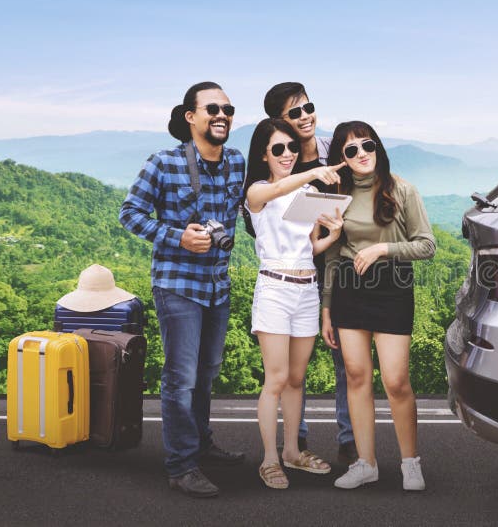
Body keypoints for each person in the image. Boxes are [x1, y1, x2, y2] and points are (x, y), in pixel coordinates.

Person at [119, 81, 245, 498]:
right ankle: (180, 465)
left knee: (206, 374)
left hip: (217, 285)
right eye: (212, 108)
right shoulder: (164, 163)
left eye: (227, 108)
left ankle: (200, 445)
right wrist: (176, 236)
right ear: (190, 116)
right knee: (180, 378)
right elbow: (130, 213)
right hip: (177, 286)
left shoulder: (237, 163)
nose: (222, 115)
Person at [321, 121, 436, 491]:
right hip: (349, 293)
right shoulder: (338, 194)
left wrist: (382, 248)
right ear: (342, 159)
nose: (361, 155)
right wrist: (326, 307)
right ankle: (365, 463)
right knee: (356, 377)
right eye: (350, 151)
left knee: (396, 381)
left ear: (377, 147)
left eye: (366, 145)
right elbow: (335, 255)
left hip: (392, 289)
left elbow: (426, 245)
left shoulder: (402, 190)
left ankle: (410, 462)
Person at [243, 118, 345, 489]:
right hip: (273, 289)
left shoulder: (305, 196)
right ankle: (269, 459)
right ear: (264, 155)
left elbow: (308, 248)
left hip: (307, 289)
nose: (287, 154)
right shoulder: (257, 192)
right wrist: (313, 172)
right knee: (277, 378)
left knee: (297, 379)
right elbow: (275, 190)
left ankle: (291, 452)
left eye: (290, 147)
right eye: (278, 149)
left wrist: (331, 235)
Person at [261, 82, 357, 464]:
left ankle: (349, 438)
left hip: (341, 267)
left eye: (307, 108)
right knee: (288, 371)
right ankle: (294, 441)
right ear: (278, 123)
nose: (305, 117)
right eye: (294, 113)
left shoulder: (338, 148)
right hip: (295, 274)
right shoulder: (279, 161)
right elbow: (259, 220)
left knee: (346, 358)